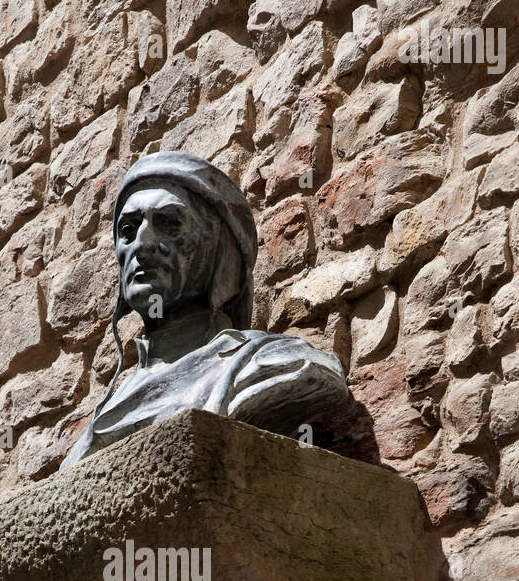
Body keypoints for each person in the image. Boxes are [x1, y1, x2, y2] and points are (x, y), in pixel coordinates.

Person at [61, 151, 348, 468]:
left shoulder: (271, 363)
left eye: (170, 223)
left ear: (221, 250)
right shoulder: (109, 408)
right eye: (128, 230)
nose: (141, 245)